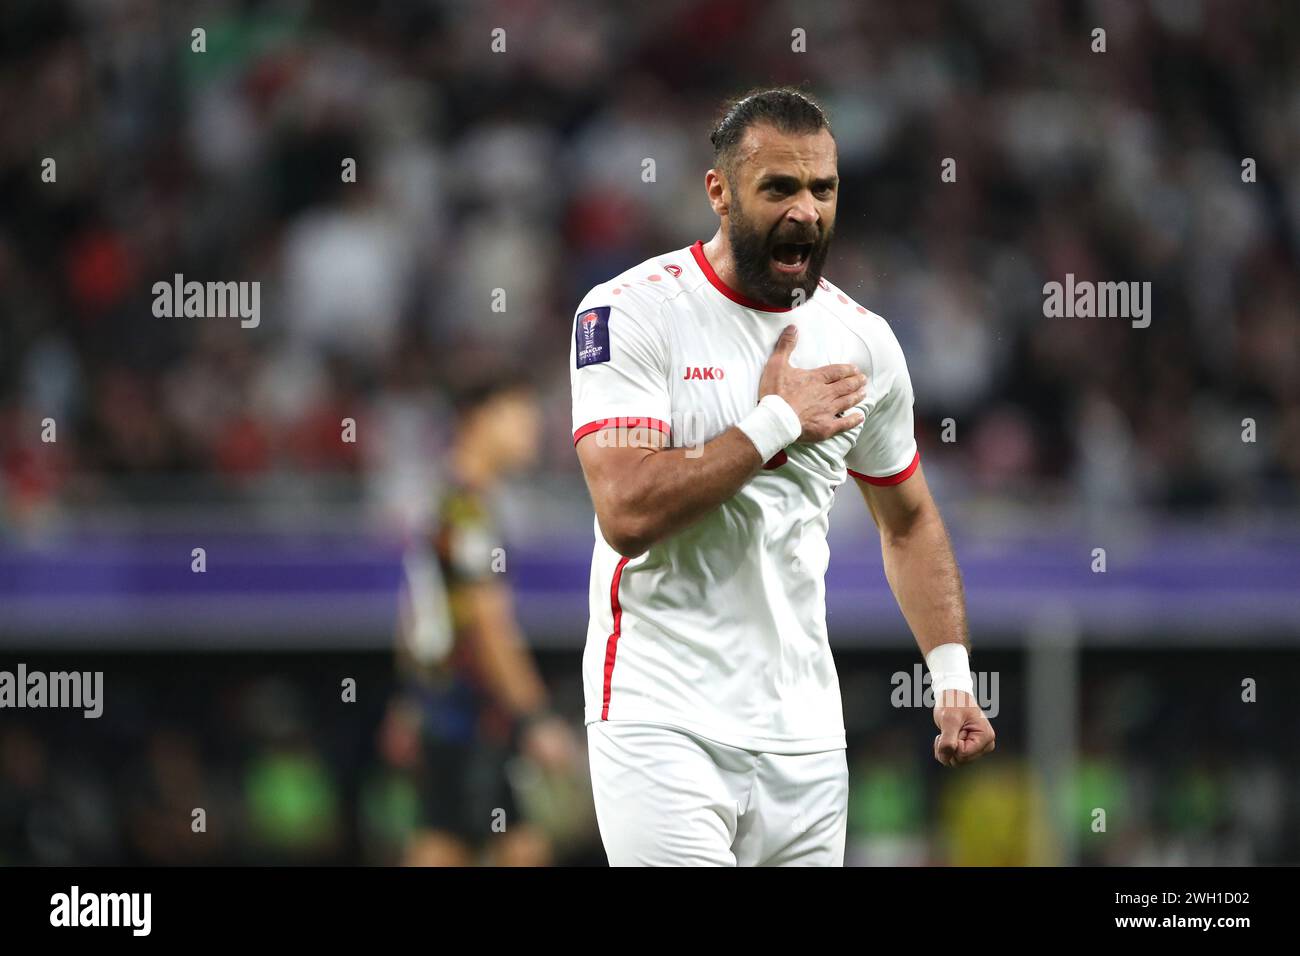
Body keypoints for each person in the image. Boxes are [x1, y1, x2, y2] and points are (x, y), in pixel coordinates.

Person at [570, 87, 995, 867]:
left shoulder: (864, 342)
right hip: (660, 717)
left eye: (823, 189)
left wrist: (952, 678)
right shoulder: (630, 313)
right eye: (779, 189)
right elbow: (624, 509)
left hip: (803, 738)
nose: (806, 212)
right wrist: (771, 426)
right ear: (719, 191)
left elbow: (907, 520)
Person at [381, 374, 578, 866]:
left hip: (447, 710)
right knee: (514, 847)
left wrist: (413, 698)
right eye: (518, 414)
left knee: (449, 842)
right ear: (478, 419)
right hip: (472, 715)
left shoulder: (445, 502)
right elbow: (488, 626)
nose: (533, 429)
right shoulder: (467, 512)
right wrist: (536, 716)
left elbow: (419, 615)